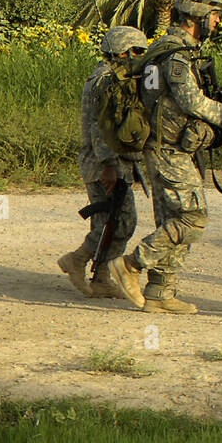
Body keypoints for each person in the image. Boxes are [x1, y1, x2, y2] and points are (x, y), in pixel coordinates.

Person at [105, 0, 222, 314]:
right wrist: (221, 113)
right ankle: (131, 265)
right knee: (193, 218)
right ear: (198, 14)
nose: (218, 22)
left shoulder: (160, 49)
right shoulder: (176, 54)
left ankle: (161, 292)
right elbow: (189, 100)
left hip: (162, 146)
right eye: (215, 14)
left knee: (171, 221)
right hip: (168, 149)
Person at [59, 25, 149, 297]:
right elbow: (101, 127)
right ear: (124, 51)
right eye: (137, 51)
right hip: (104, 163)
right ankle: (77, 258)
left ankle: (101, 277)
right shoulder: (107, 79)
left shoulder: (110, 77)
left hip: (110, 162)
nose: (140, 58)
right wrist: (109, 165)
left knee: (112, 223)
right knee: (119, 221)